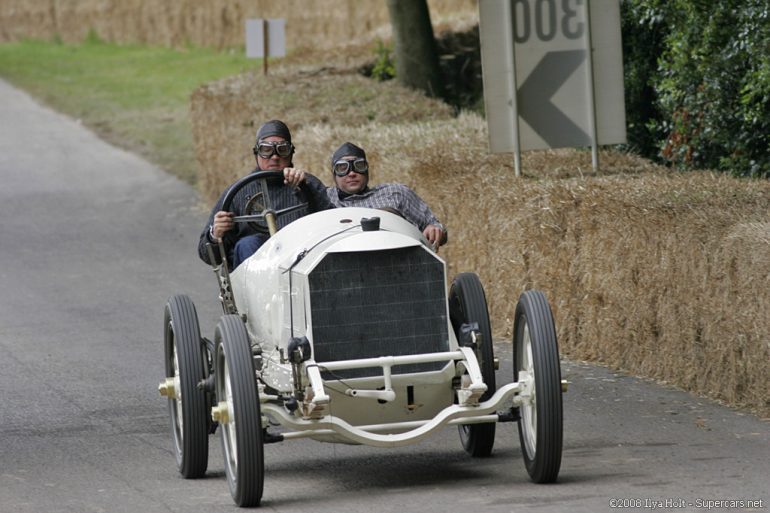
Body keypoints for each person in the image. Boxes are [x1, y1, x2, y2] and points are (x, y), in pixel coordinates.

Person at [198, 120, 332, 269]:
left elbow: (333, 226)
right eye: (266, 150)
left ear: (291, 153)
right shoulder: (237, 192)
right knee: (247, 244)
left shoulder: (309, 184)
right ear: (256, 153)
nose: (275, 157)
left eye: (282, 149)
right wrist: (215, 234)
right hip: (253, 276)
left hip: (300, 265)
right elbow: (206, 255)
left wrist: (306, 189)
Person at [325, 142, 447, 250]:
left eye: (359, 166)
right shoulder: (324, 199)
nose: (351, 173)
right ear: (334, 174)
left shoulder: (395, 193)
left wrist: (434, 229)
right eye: (342, 168)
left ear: (367, 170)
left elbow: (436, 227)